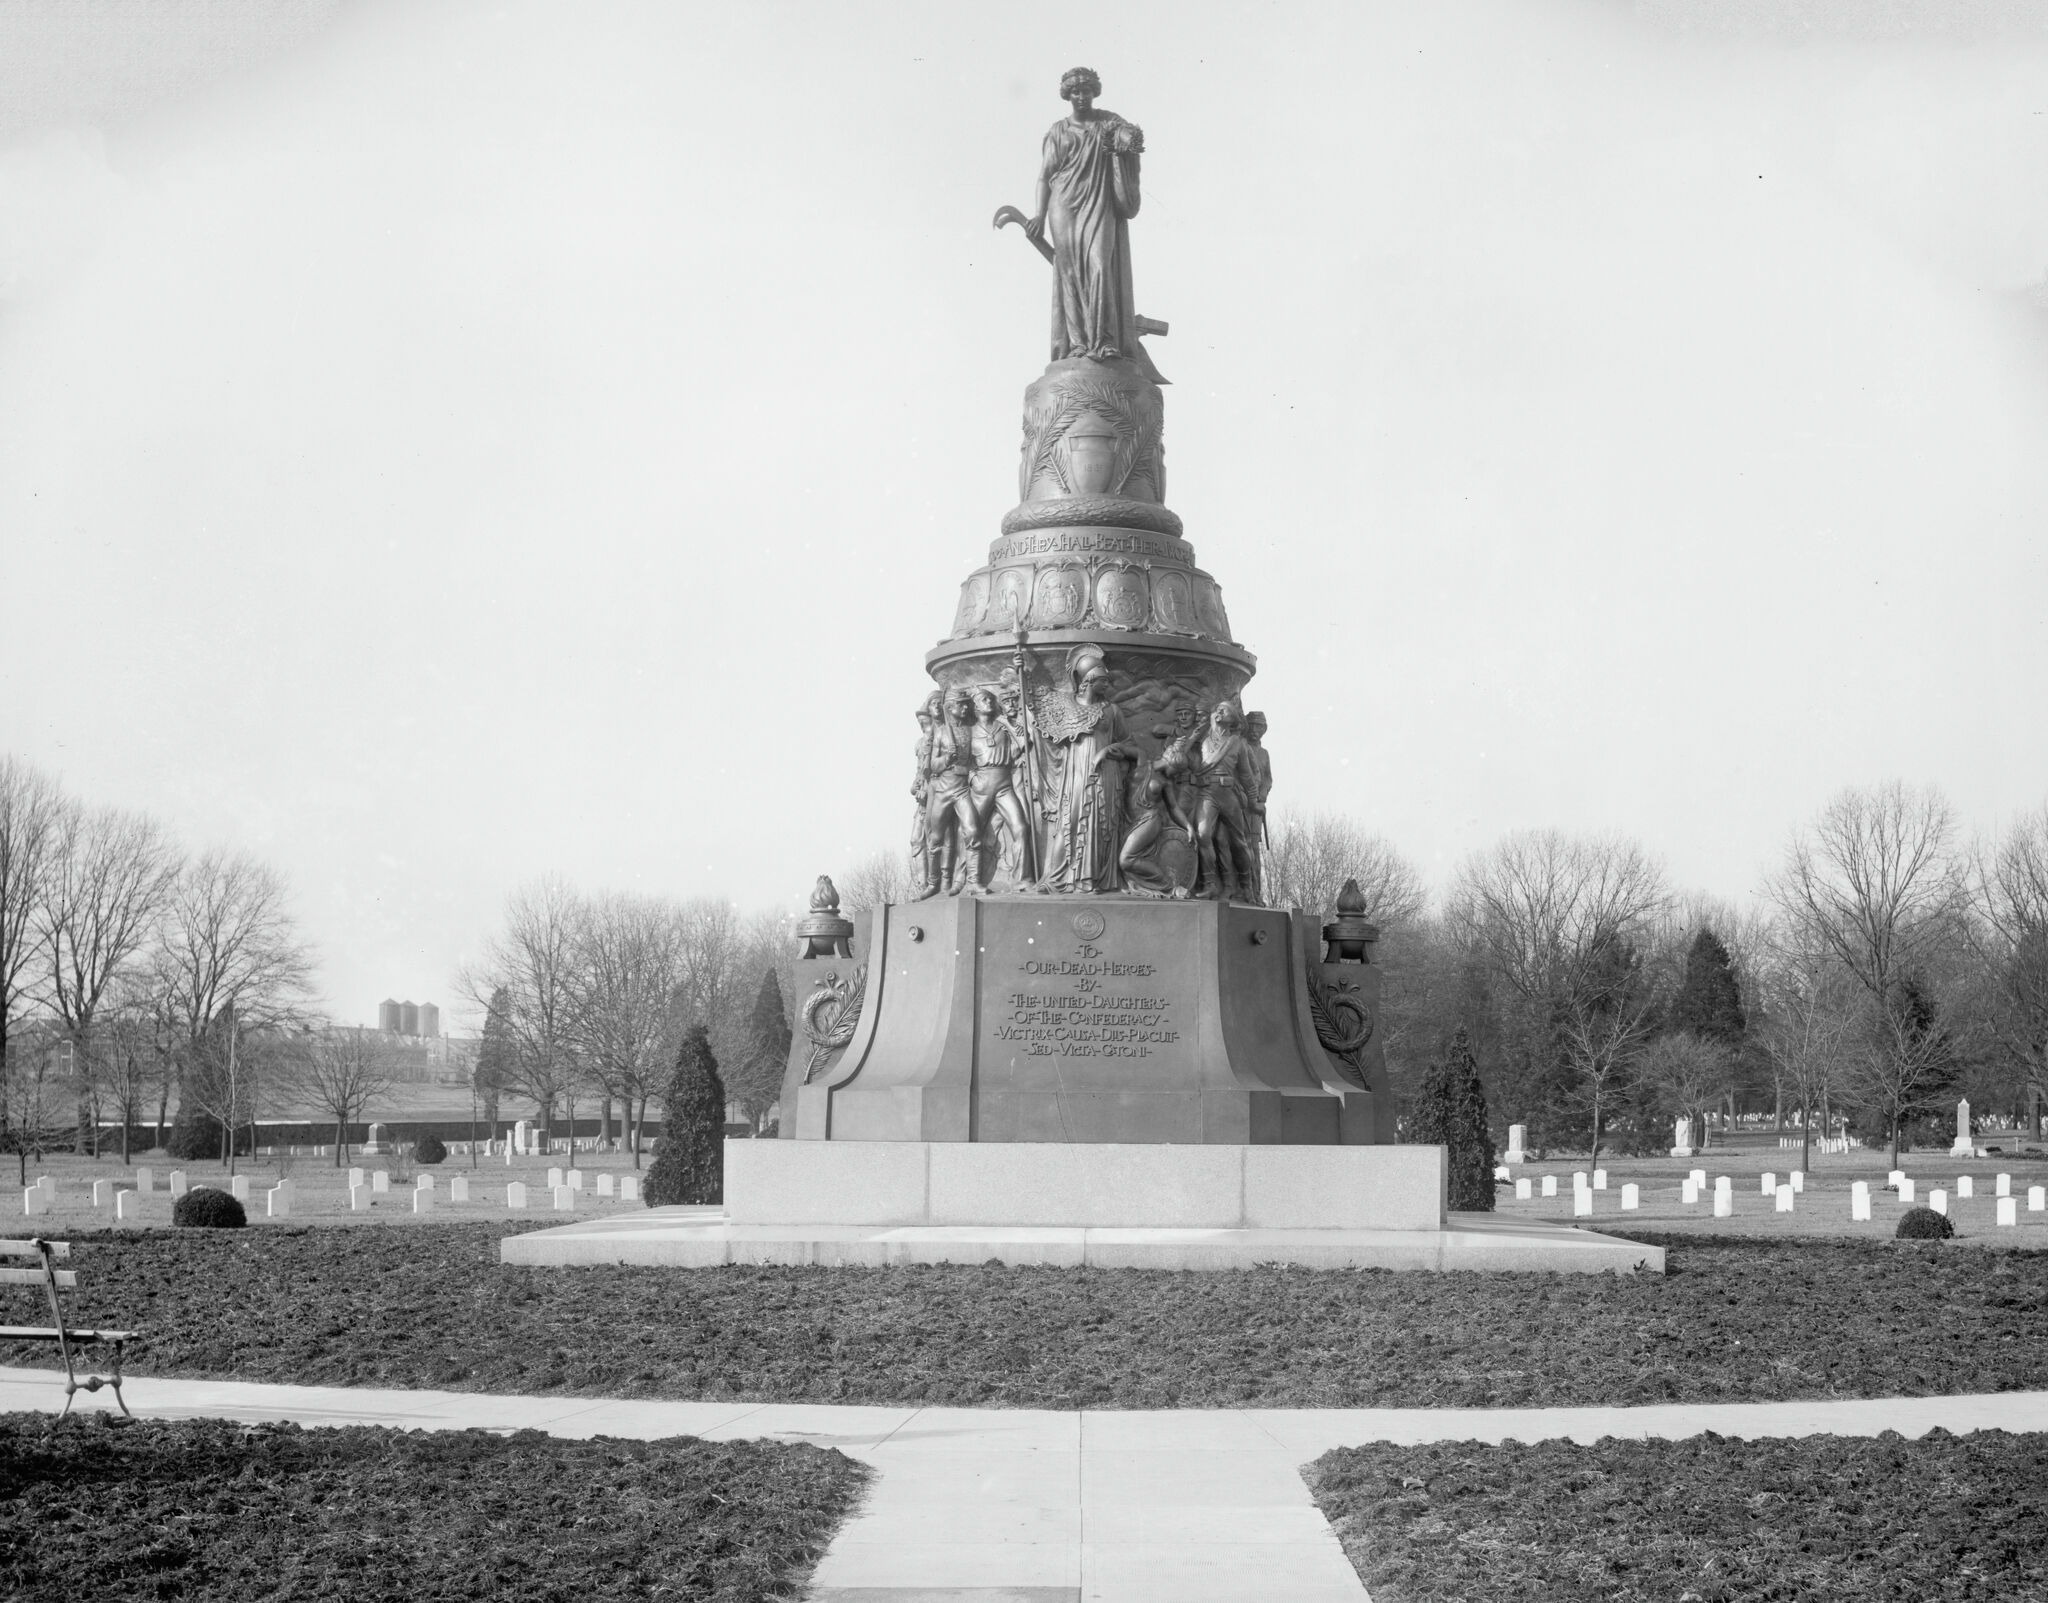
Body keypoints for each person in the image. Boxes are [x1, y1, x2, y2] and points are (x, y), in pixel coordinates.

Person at [1024, 68, 1154, 374]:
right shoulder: (1058, 131)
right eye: (1075, 92)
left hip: (1099, 204)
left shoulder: (1108, 123)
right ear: (1067, 95)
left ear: (1095, 93)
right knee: (1069, 272)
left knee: (1099, 267)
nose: (1081, 97)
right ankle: (1078, 343)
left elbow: (1128, 137)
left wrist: (1126, 140)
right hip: (1064, 205)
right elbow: (1044, 177)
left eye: (1086, 91)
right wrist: (1039, 215)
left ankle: (1104, 340)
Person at [1040, 646, 1139, 892]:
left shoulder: (1111, 711)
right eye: (1104, 681)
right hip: (1075, 774)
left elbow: (1129, 743)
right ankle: (1061, 877)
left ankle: (1092, 879)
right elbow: (1046, 731)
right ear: (1088, 681)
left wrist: (1109, 750)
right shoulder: (1065, 706)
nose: (1108, 686)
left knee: (1099, 823)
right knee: (1071, 820)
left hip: (1105, 773)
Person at [1186, 701, 1260, 903]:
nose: (1219, 711)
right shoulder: (1200, 737)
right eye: (1217, 708)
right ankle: (1210, 884)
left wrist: (1253, 801)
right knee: (1203, 834)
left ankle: (1245, 886)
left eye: (1225, 709)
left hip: (1228, 794)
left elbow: (1246, 775)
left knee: (1239, 841)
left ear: (1233, 719)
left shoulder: (1237, 743)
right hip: (1206, 792)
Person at [966, 686, 1035, 890]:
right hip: (981, 785)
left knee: (1021, 828)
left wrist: (1010, 724)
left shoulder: (1002, 726)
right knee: (973, 832)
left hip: (1004, 784)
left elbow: (1023, 744)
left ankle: (1022, 879)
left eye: (990, 699)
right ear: (975, 707)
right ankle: (972, 882)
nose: (989, 702)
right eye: (984, 700)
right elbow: (961, 761)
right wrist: (972, 779)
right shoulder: (969, 732)